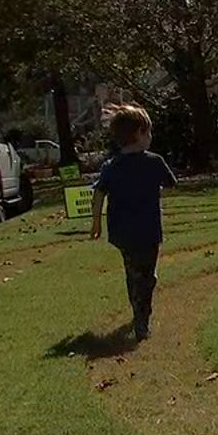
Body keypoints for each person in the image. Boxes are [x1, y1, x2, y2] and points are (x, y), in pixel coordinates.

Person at [89, 104, 176, 341]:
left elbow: (98, 194)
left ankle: (137, 311)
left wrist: (96, 223)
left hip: (121, 231)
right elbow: (170, 183)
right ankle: (142, 320)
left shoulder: (111, 166)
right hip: (147, 229)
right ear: (139, 133)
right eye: (148, 132)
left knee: (133, 271)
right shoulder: (154, 162)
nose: (150, 137)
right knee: (147, 276)